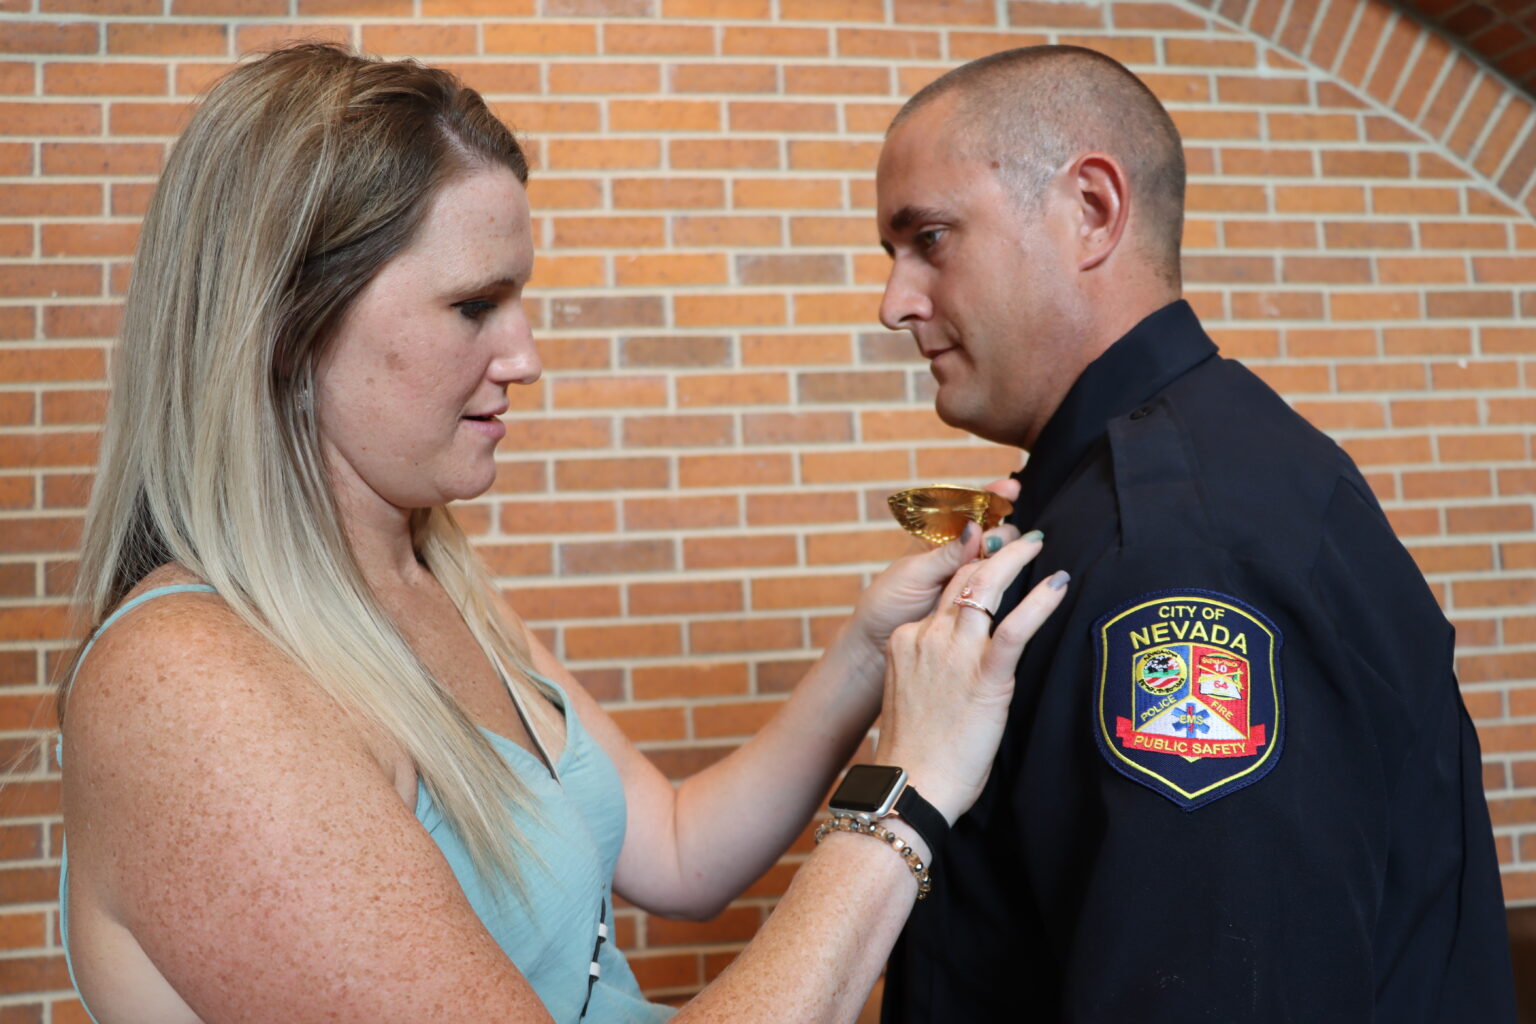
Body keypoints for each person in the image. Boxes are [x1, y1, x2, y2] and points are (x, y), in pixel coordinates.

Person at [54, 43, 1072, 1024]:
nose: (525, 354)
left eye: (519, 298)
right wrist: (909, 789)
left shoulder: (429, 575)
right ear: (285, 326)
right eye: (473, 305)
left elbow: (677, 850)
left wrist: (872, 649)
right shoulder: (190, 685)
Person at [874, 44, 1516, 1023]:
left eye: (930, 238)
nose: (895, 302)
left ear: (1091, 210)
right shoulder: (1133, 493)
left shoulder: (1181, 550)